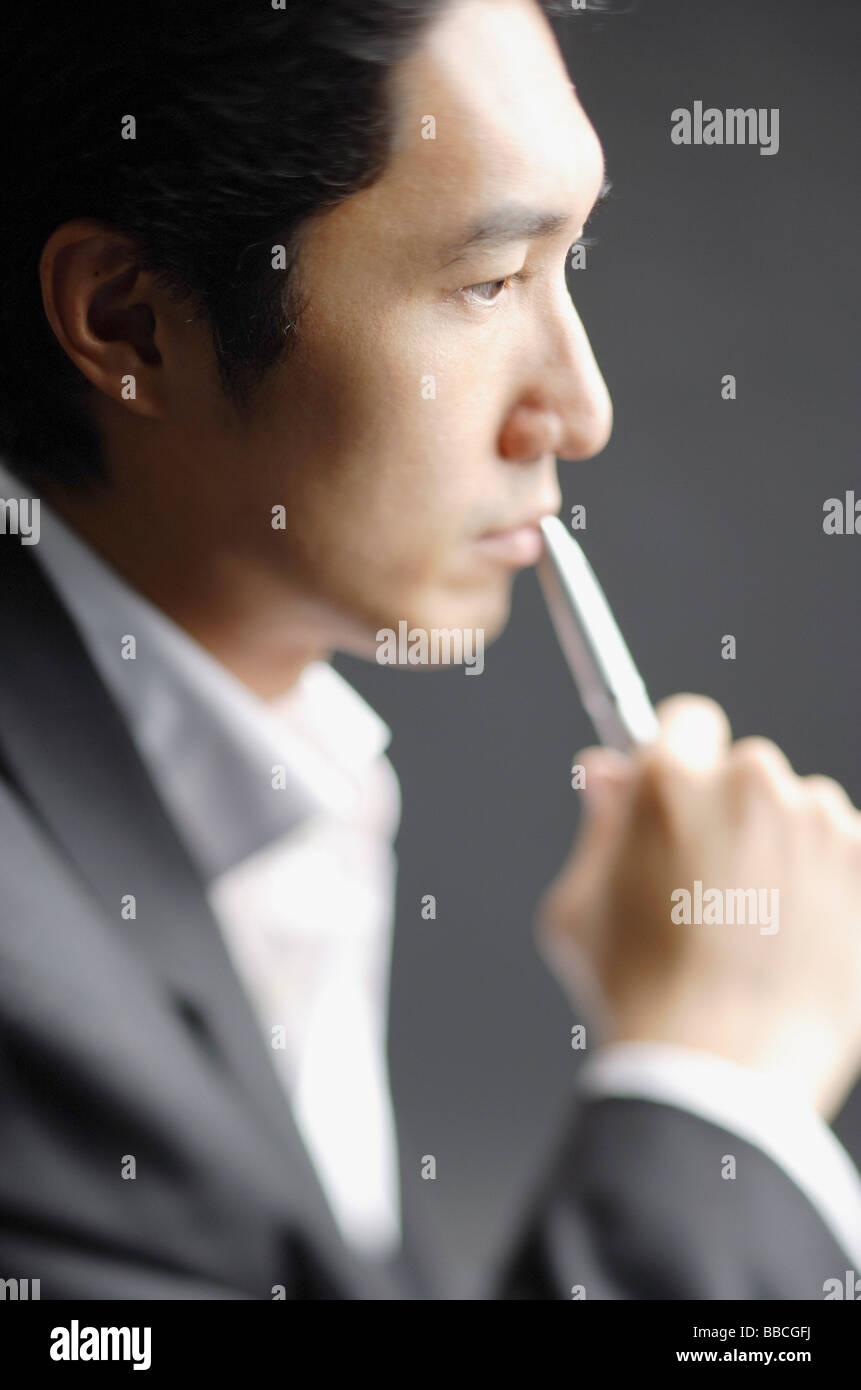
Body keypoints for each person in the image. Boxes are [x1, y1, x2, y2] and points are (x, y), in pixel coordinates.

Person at [0, 0, 859, 1300]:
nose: (579, 410)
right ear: (131, 324)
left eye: (568, 262)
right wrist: (710, 1078)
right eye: (487, 281)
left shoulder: (259, 772)